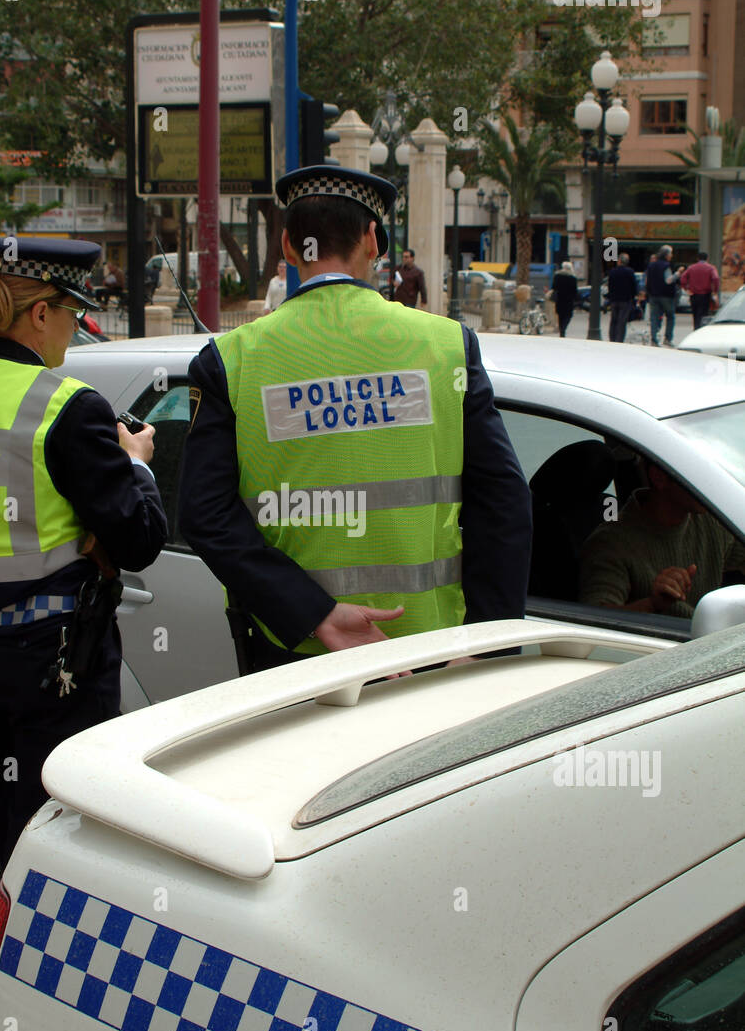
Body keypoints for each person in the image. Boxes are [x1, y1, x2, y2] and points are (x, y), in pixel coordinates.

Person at [177, 163, 532, 672]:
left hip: (295, 657)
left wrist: (313, 613)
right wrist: (491, 640)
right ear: (372, 239)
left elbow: (204, 516)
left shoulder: (231, 359)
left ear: (289, 246)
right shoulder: (446, 345)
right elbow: (503, 499)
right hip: (431, 652)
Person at [0, 235, 167, 869]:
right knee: (71, 847)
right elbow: (142, 541)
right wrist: (137, 467)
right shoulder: (66, 408)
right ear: (40, 313)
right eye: (72, 311)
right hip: (56, 670)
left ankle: (15, 942)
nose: (76, 327)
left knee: (9, 833)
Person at [579, 461, 745, 619]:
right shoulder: (611, 543)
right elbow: (596, 618)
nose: (710, 484)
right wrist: (653, 604)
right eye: (698, 474)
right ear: (659, 477)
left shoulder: (713, 521)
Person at [645, 245, 680, 347]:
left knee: (654, 317)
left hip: (653, 295)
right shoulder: (666, 266)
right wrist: (677, 274)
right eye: (670, 253)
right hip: (666, 295)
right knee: (670, 316)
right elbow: (668, 280)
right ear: (666, 255)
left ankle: (654, 339)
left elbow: (648, 280)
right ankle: (667, 338)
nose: (671, 256)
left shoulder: (651, 265)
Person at [679, 251, 720, 332]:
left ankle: (696, 329)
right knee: (704, 314)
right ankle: (702, 330)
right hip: (705, 294)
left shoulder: (691, 267)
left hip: (693, 294)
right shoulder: (711, 268)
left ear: (698, 258)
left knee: (695, 313)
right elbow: (716, 278)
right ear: (707, 258)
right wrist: (715, 291)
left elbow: (683, 278)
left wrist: (686, 288)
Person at [606, 252, 640, 344]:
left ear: (619, 261)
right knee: (622, 321)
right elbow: (633, 286)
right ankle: (619, 339)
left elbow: (610, 285)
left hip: (614, 299)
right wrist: (633, 297)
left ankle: (612, 338)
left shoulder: (612, 271)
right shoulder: (630, 272)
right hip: (625, 299)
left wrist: (610, 296)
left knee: (614, 319)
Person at [551, 261, 578, 337]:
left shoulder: (557, 276)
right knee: (568, 315)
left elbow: (554, 287)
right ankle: (563, 328)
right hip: (569, 300)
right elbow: (575, 291)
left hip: (560, 298)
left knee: (560, 315)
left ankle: (561, 330)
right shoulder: (572, 278)